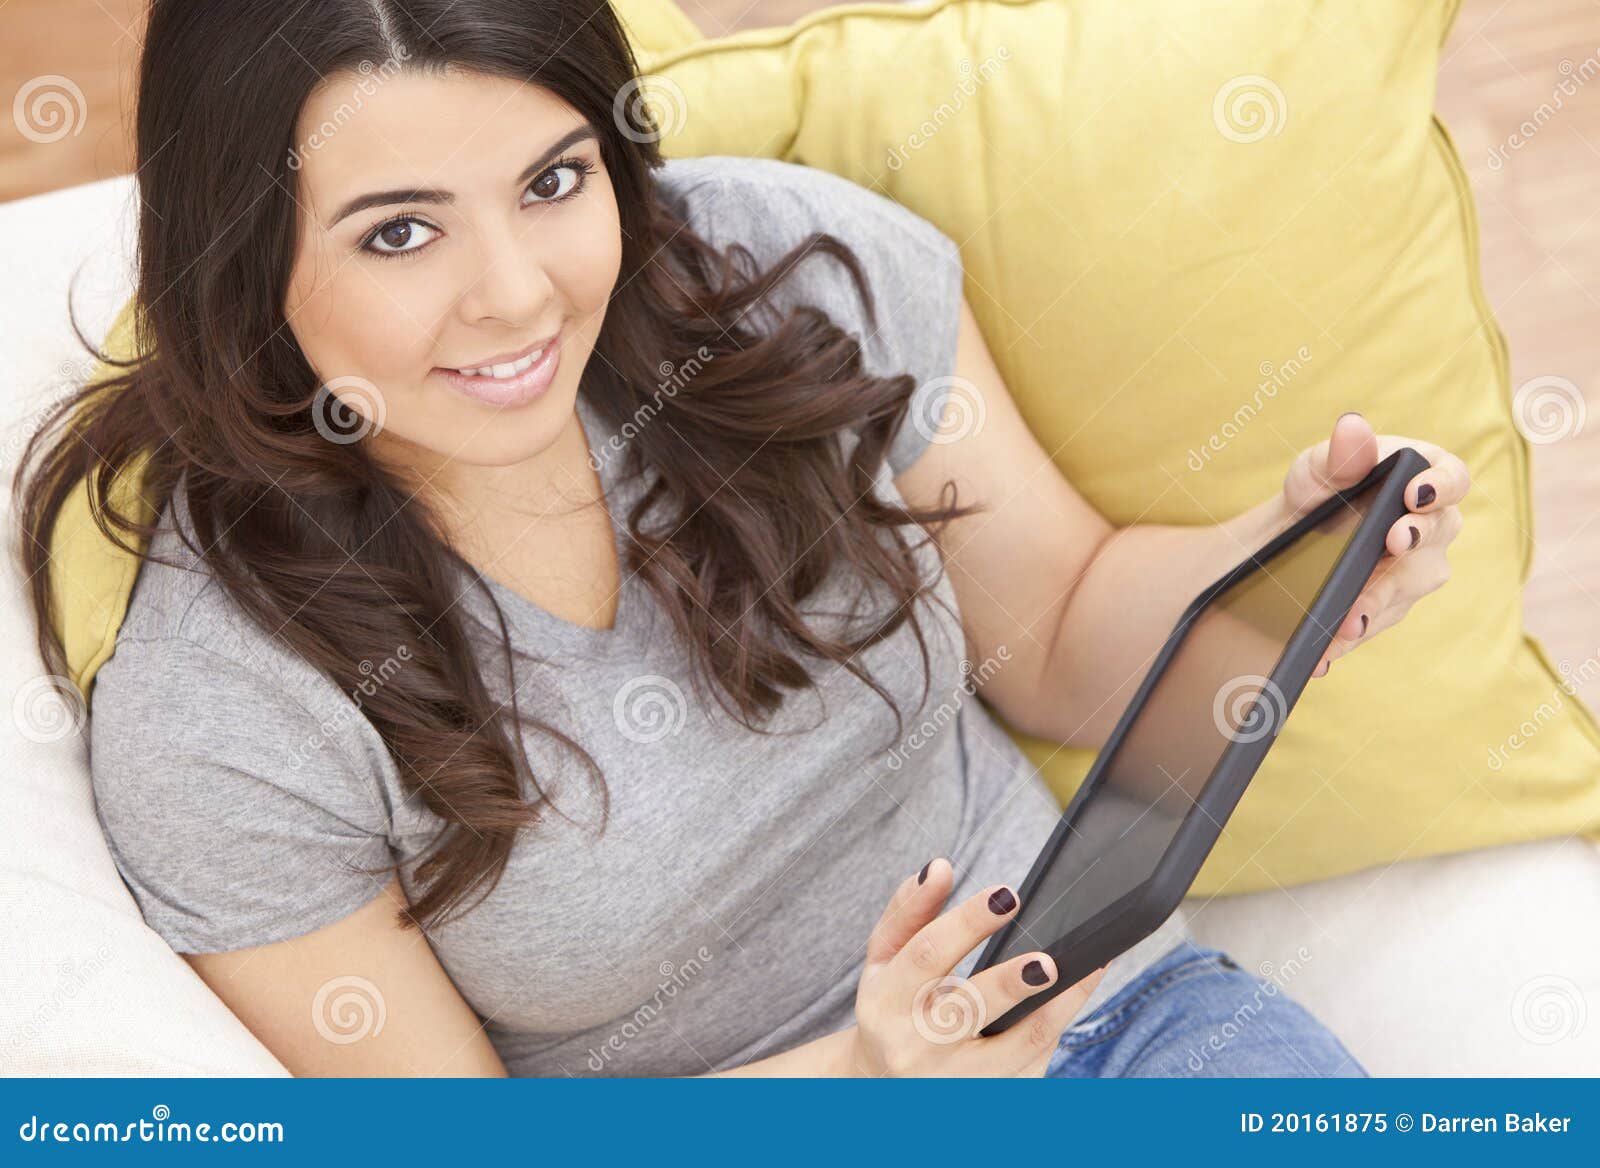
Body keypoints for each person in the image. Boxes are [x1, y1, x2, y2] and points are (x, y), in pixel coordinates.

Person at [16, 0, 1468, 1077]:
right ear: (241, 255)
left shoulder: (781, 286)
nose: (517, 297)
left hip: (1114, 1027)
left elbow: (1068, 636)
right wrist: (861, 1085)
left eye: (552, 181)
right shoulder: (221, 706)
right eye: (402, 233)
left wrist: (1277, 573)